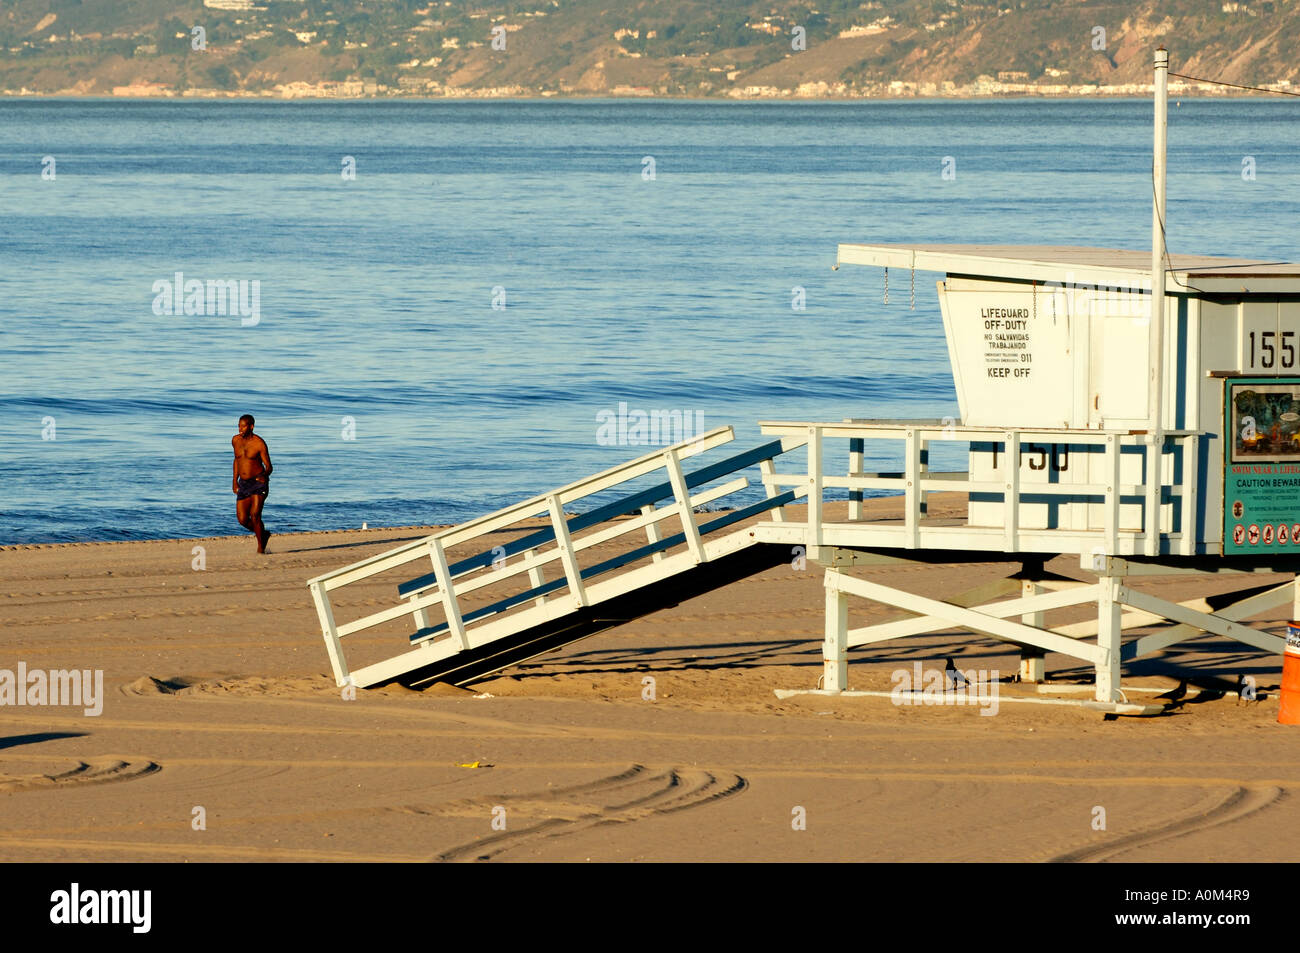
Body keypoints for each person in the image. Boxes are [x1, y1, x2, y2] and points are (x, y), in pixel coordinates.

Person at [232, 414, 272, 553]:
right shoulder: (235, 440)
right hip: (243, 483)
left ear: (251, 426)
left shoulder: (259, 443)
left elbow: (269, 466)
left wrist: (264, 475)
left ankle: (261, 548)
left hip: (258, 483)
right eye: (239, 425)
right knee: (242, 519)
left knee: (255, 515)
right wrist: (234, 481)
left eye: (243, 426)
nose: (240, 429)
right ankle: (263, 534)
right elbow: (237, 460)